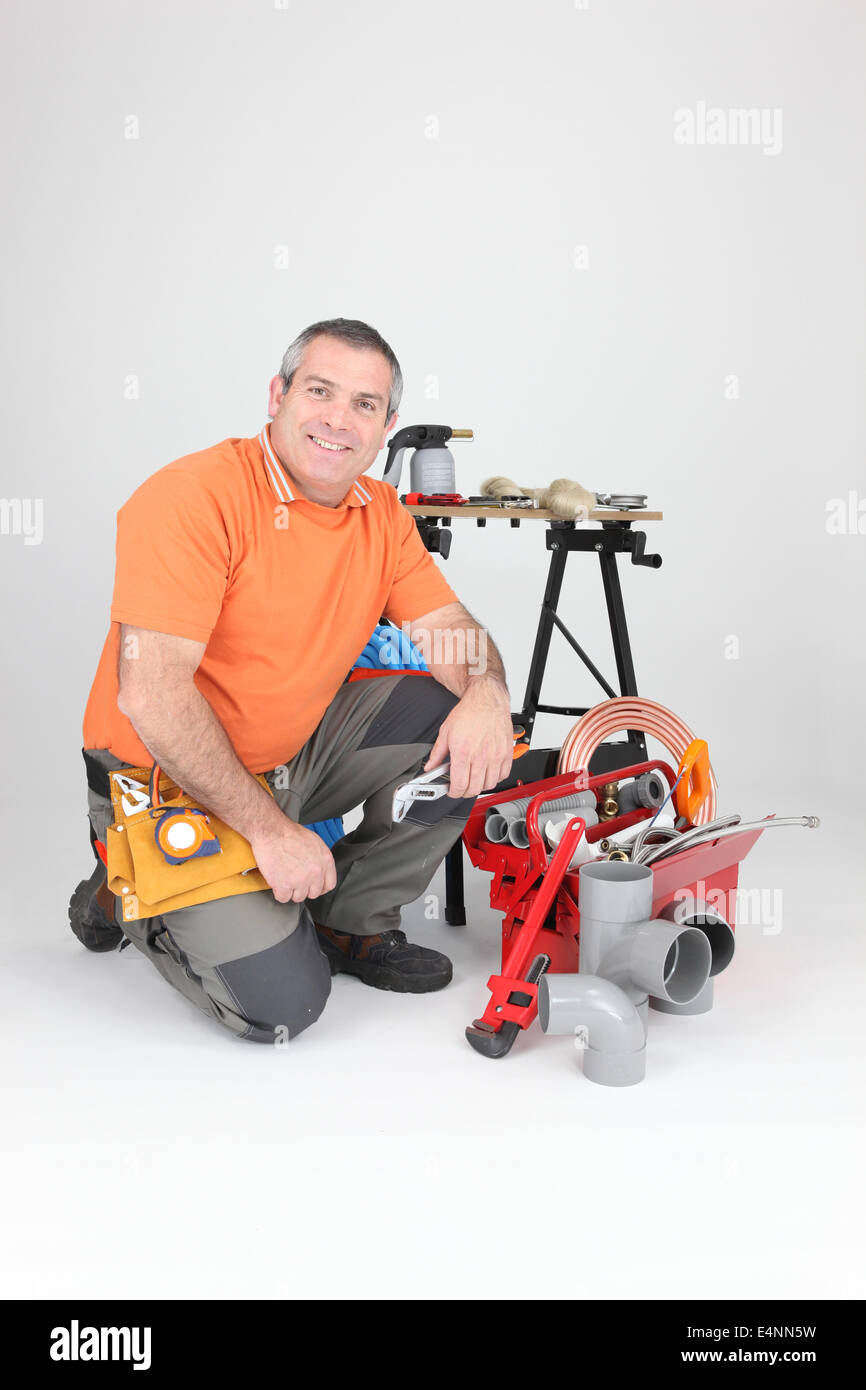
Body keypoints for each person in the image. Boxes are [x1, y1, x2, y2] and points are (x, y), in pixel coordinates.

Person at [70, 317, 514, 1043]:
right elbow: (153, 695)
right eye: (320, 391)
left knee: (454, 714)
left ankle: (350, 922)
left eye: (365, 404)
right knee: (284, 1004)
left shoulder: (381, 514)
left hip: (289, 760)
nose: (339, 420)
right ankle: (129, 888)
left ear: (386, 427)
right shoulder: (192, 497)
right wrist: (272, 833)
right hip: (163, 781)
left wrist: (489, 693)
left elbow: (450, 628)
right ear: (277, 396)